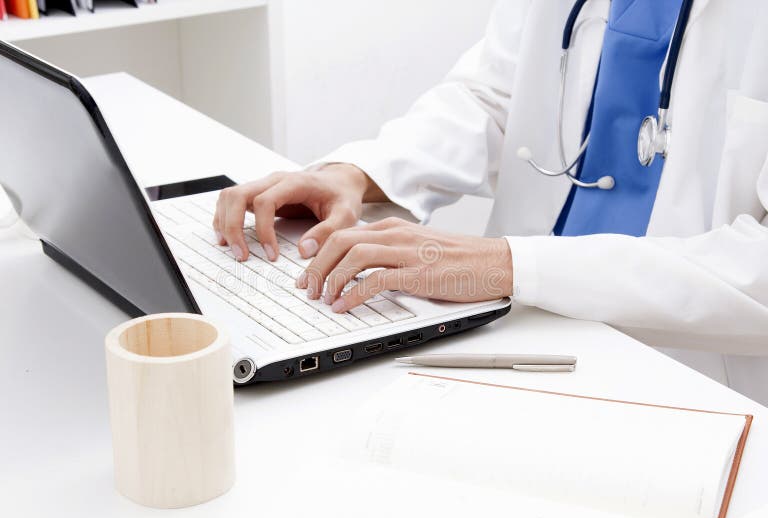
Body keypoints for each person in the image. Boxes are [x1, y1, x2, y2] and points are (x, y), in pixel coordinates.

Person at [213, 0, 768, 404]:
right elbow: (494, 95)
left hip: (696, 376)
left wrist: (506, 264)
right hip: (526, 332)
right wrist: (362, 173)